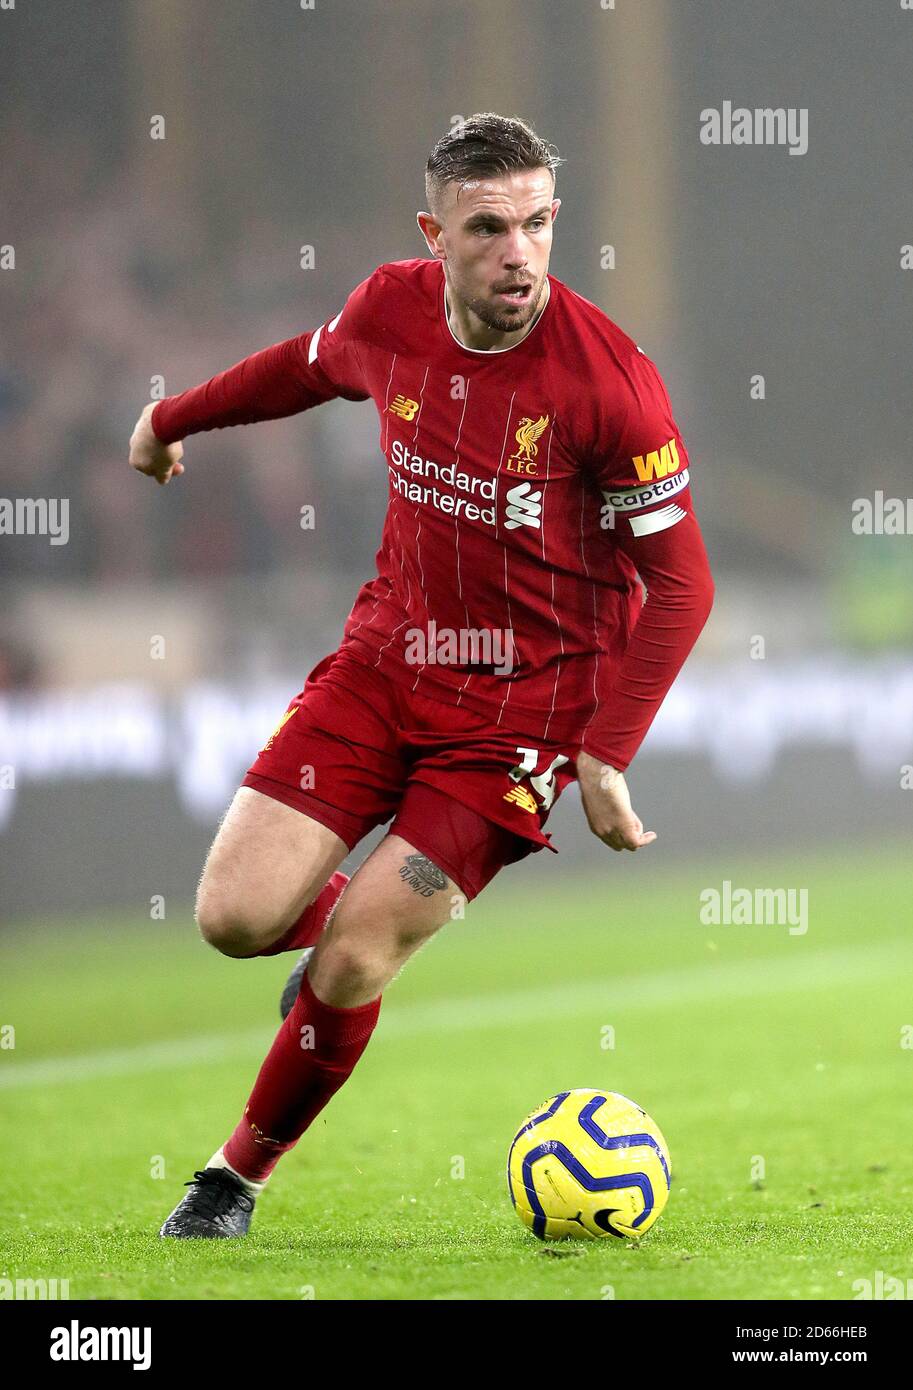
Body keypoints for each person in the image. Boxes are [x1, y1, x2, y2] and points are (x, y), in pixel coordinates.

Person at [129, 113, 714, 1238]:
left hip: (522, 715)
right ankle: (353, 930)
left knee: (349, 963)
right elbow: (300, 369)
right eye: (489, 227)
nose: (519, 253)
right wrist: (167, 417)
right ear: (432, 235)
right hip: (386, 663)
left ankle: (229, 1178)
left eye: (539, 223)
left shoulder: (611, 387)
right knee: (235, 918)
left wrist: (602, 750)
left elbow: (680, 585)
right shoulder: (390, 310)